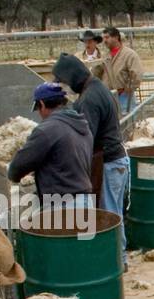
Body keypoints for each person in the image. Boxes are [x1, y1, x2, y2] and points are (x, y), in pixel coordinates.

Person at [53, 53, 130, 266]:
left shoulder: (89, 99)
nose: (63, 87)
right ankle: (118, 257)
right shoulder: (96, 88)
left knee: (110, 214)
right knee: (112, 210)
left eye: (63, 81)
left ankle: (118, 259)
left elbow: (86, 137)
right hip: (114, 161)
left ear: (72, 77)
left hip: (108, 163)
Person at [7, 81, 93, 212]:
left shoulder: (47, 130)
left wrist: (14, 174)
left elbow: (17, 167)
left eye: (38, 109)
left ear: (41, 104)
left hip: (61, 205)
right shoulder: (82, 124)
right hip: (85, 200)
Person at [102, 26, 143, 116]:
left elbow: (136, 74)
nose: (104, 40)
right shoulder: (105, 56)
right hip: (109, 97)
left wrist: (127, 89)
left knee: (127, 123)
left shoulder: (129, 55)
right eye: (103, 38)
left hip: (124, 96)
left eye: (107, 37)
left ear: (116, 37)